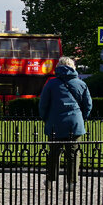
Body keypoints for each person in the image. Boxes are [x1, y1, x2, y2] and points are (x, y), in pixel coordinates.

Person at [38, 55, 92, 189]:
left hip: (55, 123)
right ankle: (72, 182)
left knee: (54, 153)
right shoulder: (81, 83)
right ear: (73, 67)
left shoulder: (51, 83)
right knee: (73, 153)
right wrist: (81, 118)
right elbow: (88, 105)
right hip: (74, 123)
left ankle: (50, 180)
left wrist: (46, 119)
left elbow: (43, 105)